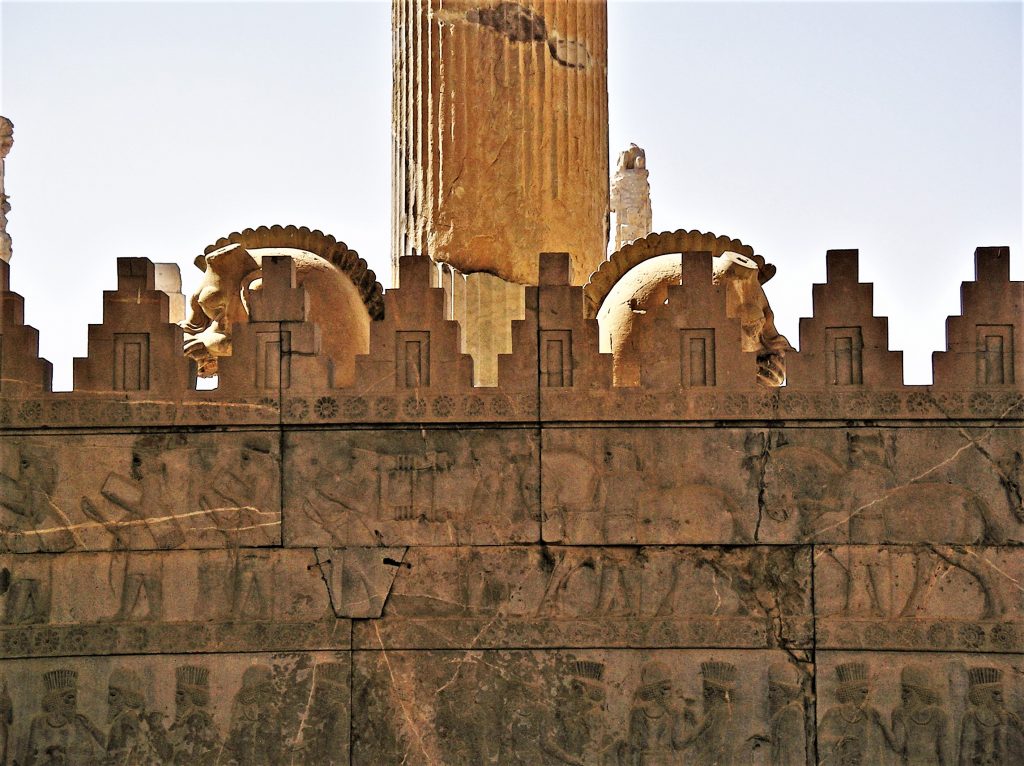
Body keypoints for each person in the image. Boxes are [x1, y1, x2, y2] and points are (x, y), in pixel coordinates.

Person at [24, 669, 104, 766]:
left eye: (74, 697)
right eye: (69, 697)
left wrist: (92, 728)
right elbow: (31, 757)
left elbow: (102, 747)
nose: (74, 702)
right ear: (55, 699)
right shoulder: (39, 723)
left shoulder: (80, 721)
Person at [819, 662, 892, 765]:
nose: (867, 697)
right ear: (852, 693)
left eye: (868, 693)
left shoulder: (869, 715)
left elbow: (877, 749)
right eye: (864, 692)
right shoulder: (834, 713)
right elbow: (820, 740)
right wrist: (841, 739)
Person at [958, 667, 1024, 766]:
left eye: (1000, 694)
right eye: (996, 693)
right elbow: (965, 753)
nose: (1001, 698)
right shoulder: (972, 716)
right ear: (984, 695)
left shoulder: (1008, 717)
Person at [890, 664, 949, 766]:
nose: (902, 696)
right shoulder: (900, 714)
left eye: (907, 691)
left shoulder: (938, 715)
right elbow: (897, 746)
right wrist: (882, 723)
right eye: (902, 691)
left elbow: (944, 754)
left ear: (920, 693)